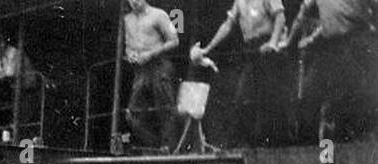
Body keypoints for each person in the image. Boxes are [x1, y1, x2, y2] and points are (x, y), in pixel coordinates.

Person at [281, 0, 378, 147]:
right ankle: (327, 159)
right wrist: (292, 43)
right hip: (336, 47)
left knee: (365, 98)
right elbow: (317, 19)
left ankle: (369, 145)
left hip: (360, 44)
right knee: (329, 107)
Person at [193, 1, 289, 146]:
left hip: (268, 47)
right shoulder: (239, 2)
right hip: (251, 49)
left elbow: (280, 17)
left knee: (270, 99)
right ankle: (245, 144)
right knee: (243, 97)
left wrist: (273, 42)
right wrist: (207, 49)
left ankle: (278, 143)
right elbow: (227, 25)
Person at [123, 0, 181, 150]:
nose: (134, 2)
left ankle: (169, 147)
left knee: (165, 107)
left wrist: (151, 54)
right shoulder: (127, 19)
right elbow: (128, 45)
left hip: (159, 65)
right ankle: (153, 145)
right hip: (141, 69)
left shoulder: (159, 15)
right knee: (133, 113)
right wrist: (130, 55)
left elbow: (174, 41)